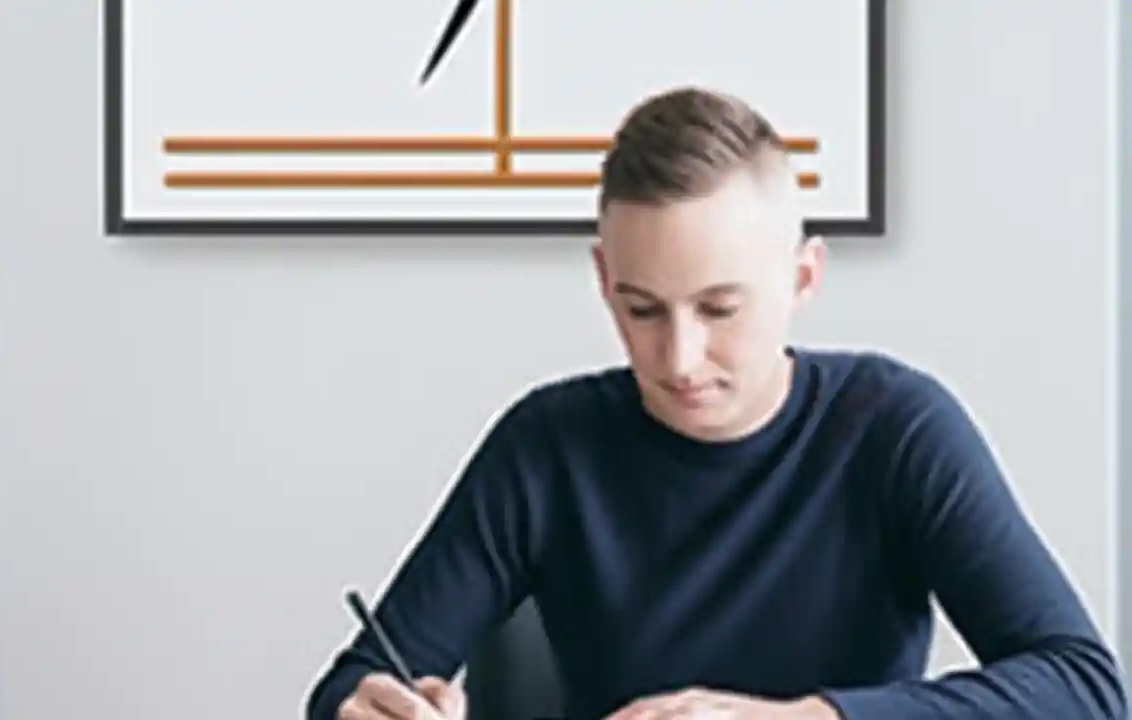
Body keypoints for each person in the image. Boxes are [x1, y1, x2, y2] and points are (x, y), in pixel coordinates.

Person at [303, 87, 1127, 720]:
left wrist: (809, 718)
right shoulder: (547, 443)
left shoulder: (895, 426)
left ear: (803, 278)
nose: (678, 358)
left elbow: (1085, 688)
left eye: (719, 309)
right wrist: (368, 703)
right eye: (642, 309)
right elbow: (351, 682)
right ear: (602, 281)